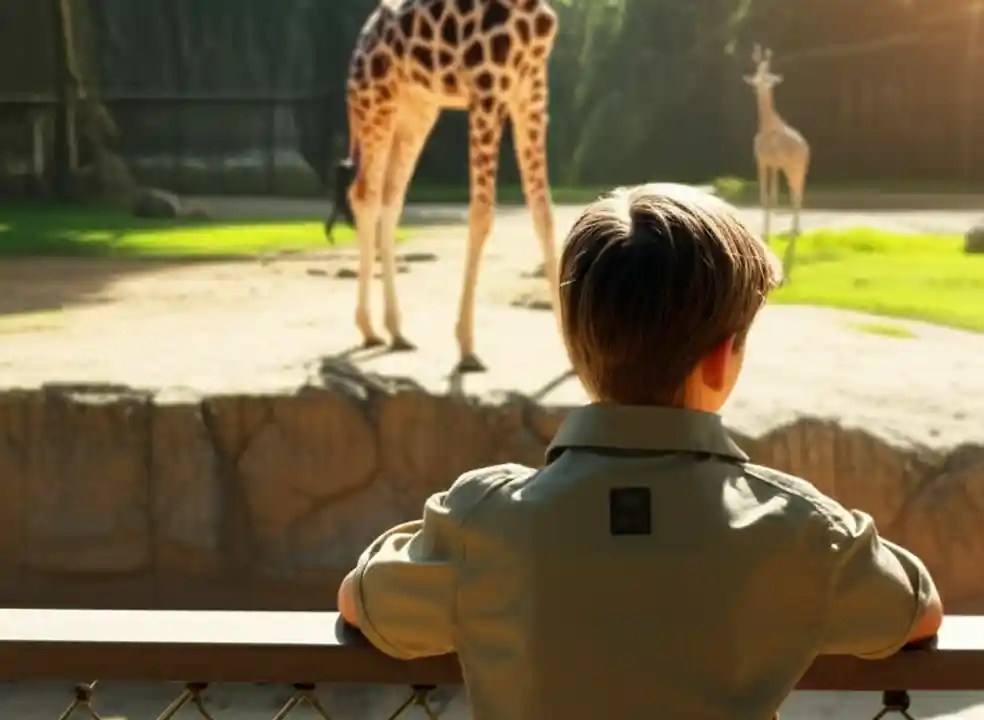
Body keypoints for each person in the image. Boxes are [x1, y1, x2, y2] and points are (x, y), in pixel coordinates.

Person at [337, 183, 943, 720]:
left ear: (575, 346)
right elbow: (918, 614)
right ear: (720, 358)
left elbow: (361, 603)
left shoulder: (485, 521)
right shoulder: (799, 531)